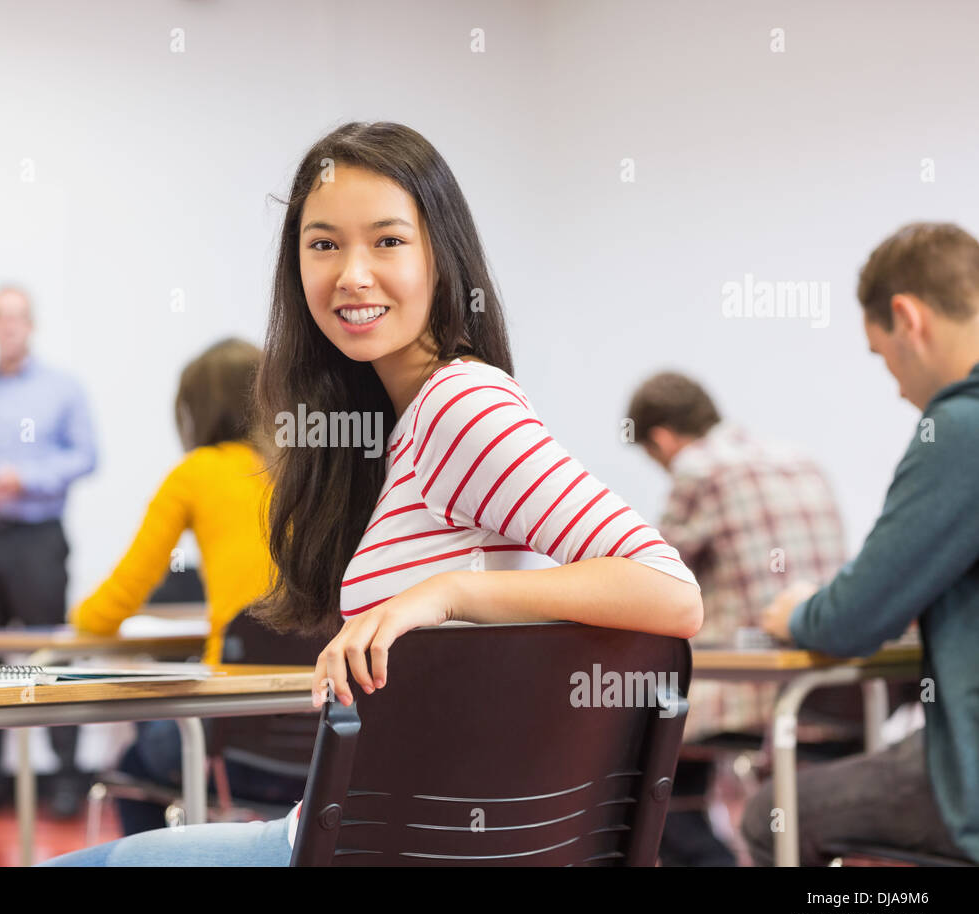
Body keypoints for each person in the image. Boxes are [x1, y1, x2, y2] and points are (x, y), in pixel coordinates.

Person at [40, 121, 702, 866]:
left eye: (387, 241)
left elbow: (669, 591)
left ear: (441, 260)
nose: (352, 273)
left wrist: (448, 595)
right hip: (365, 834)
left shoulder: (463, 405)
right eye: (324, 244)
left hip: (378, 845)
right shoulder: (395, 429)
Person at [744, 222, 979, 865]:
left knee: (772, 814)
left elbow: (851, 619)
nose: (897, 385)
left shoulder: (959, 428)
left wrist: (795, 610)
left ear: (908, 318)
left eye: (884, 357)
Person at [72, 337, 303, 833]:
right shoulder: (308, 472)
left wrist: (81, 621)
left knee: (136, 761)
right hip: (330, 742)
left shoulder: (197, 472)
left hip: (228, 741)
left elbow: (120, 596)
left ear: (193, 411)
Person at [625, 372, 847, 865]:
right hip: (833, 691)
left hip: (750, 691)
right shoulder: (799, 459)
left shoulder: (699, 471)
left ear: (660, 437)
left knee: (642, 772)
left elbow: (652, 576)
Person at [0, 286, 97, 817]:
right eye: (0, 318)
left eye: (17, 318)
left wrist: (20, 479)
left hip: (36, 537)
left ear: (31, 325)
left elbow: (86, 455)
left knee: (50, 653)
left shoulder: (62, 388)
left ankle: (68, 778)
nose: (9, 327)